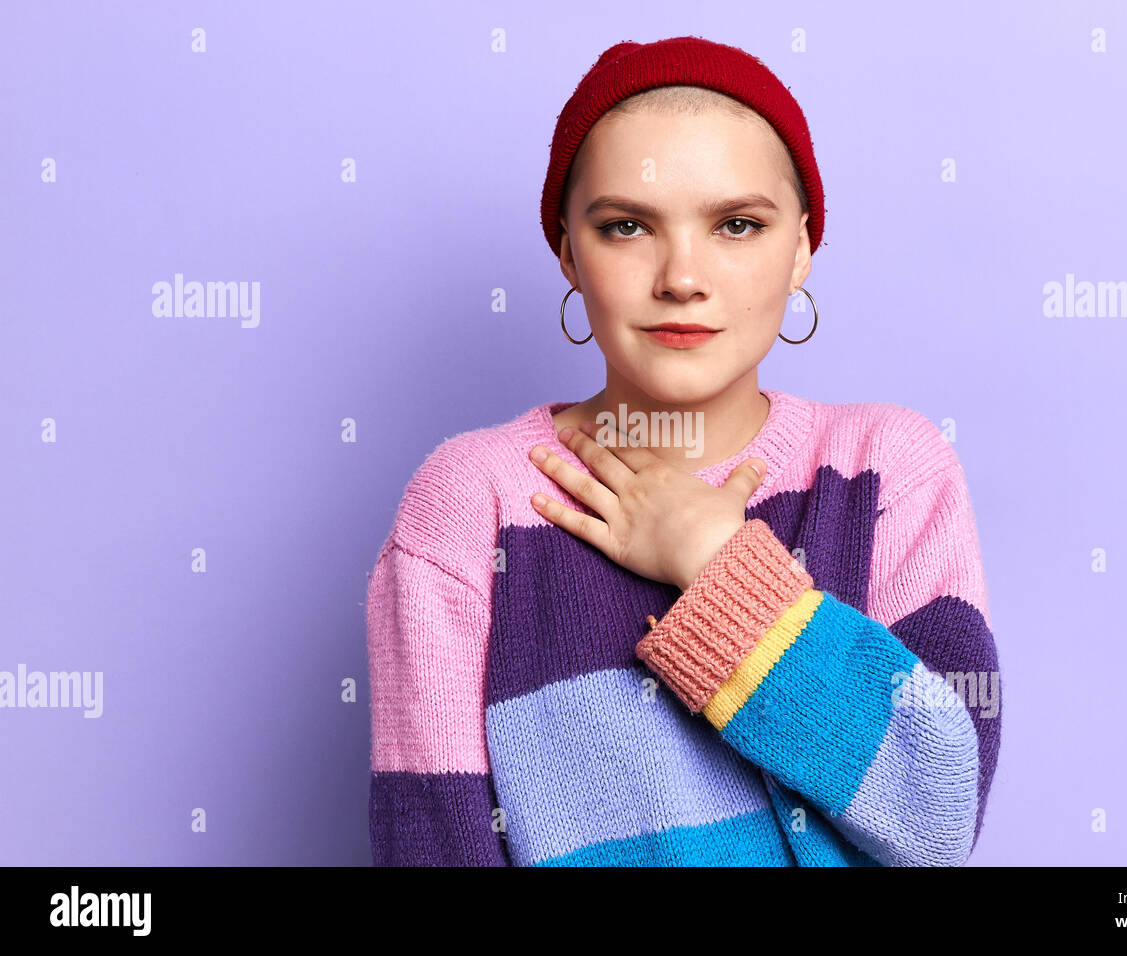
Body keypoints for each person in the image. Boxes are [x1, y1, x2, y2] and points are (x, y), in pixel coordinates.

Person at [366, 35, 1001, 866]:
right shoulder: (471, 499)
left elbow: (939, 816)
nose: (682, 278)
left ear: (803, 246)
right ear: (566, 249)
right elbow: (432, 845)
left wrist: (717, 561)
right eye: (626, 226)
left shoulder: (889, 472)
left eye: (738, 225)